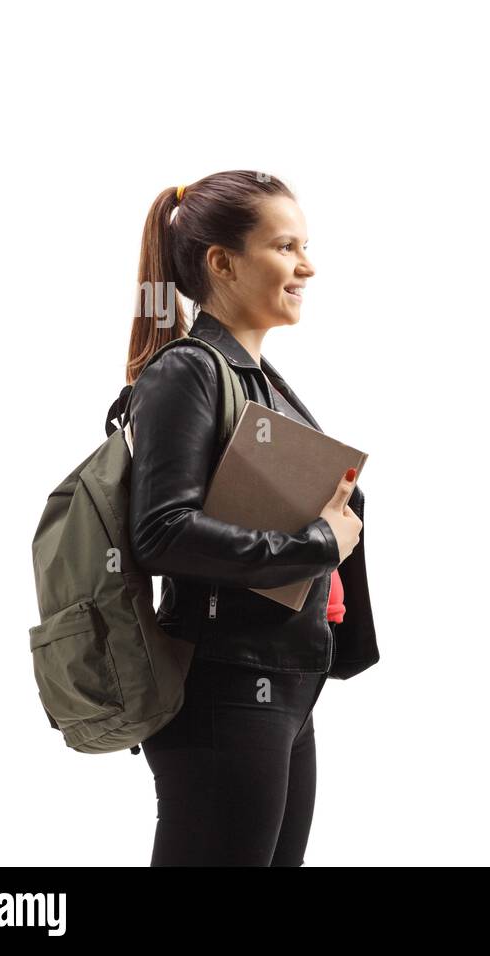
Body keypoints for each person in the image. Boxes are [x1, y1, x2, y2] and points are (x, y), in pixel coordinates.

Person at [124, 170, 379, 866]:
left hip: (282, 684)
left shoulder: (256, 381)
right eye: (286, 246)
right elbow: (162, 532)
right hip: (226, 687)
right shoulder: (190, 371)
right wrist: (318, 542)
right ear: (222, 262)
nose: (308, 265)